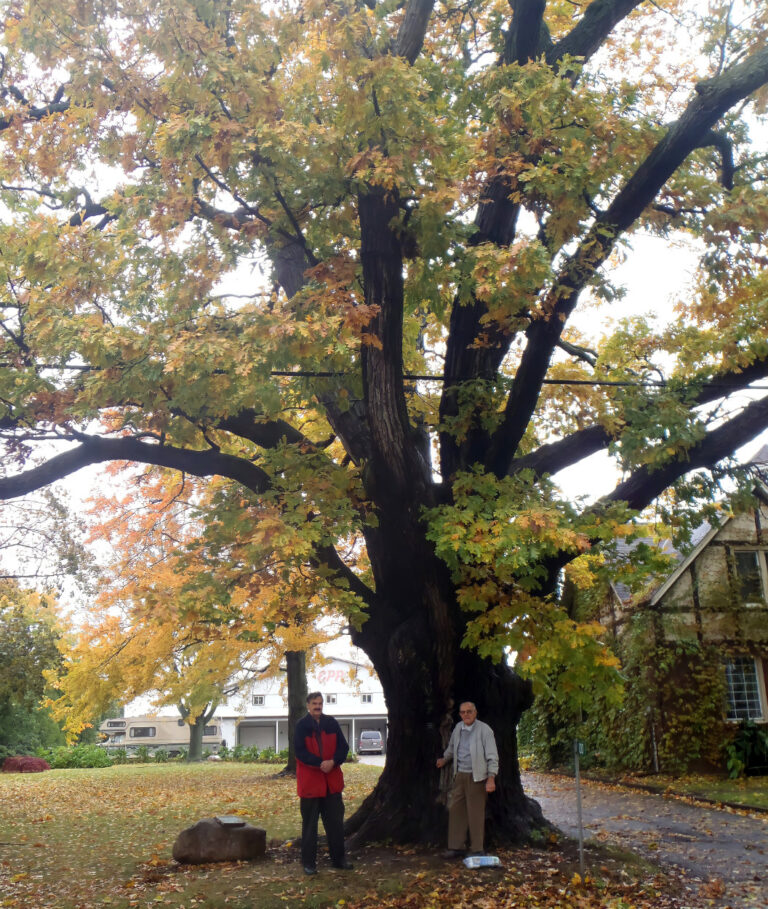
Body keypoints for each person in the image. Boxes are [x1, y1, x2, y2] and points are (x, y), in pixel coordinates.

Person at [294, 691, 354, 875]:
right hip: (311, 784)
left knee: (335, 825)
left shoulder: (331, 723)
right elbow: (300, 752)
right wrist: (320, 764)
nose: (318, 706)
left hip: (331, 784)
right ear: (308, 705)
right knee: (310, 827)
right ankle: (309, 863)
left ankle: (339, 860)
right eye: (314, 703)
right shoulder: (301, 726)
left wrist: (333, 762)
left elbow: (343, 748)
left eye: (320, 703)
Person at [436, 701, 498, 858]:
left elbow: (492, 757)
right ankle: (456, 847)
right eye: (463, 712)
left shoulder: (485, 730)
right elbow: (451, 748)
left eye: (469, 711)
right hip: (460, 775)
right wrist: (444, 759)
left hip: (477, 777)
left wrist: (491, 779)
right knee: (456, 810)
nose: (466, 715)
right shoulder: (458, 728)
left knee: (475, 813)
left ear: (475, 713)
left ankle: (477, 849)